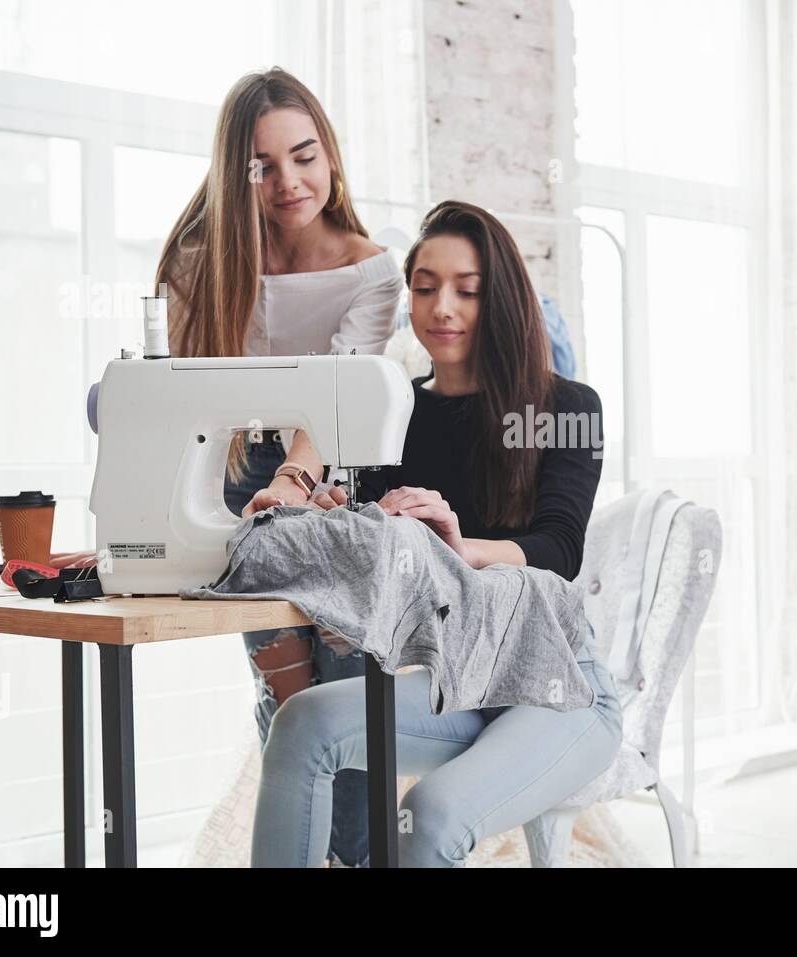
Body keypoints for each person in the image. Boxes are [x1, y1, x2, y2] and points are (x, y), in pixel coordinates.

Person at [248, 200, 622, 867]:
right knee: (301, 724)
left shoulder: (567, 407)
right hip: (457, 678)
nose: (440, 307)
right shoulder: (394, 413)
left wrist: (458, 544)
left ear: (498, 297)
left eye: (465, 290)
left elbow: (559, 549)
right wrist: (344, 524)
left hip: (557, 683)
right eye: (423, 287)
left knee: (431, 813)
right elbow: (384, 560)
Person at [156, 67, 403, 866]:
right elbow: (179, 399)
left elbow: (333, 397)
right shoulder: (202, 263)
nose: (291, 181)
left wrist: (293, 488)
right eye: (264, 166)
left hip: (336, 479)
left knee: (347, 697)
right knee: (289, 697)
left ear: (329, 151)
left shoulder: (374, 271)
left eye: (306, 155)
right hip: (243, 480)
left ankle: (355, 856)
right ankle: (327, 855)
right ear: (238, 174)